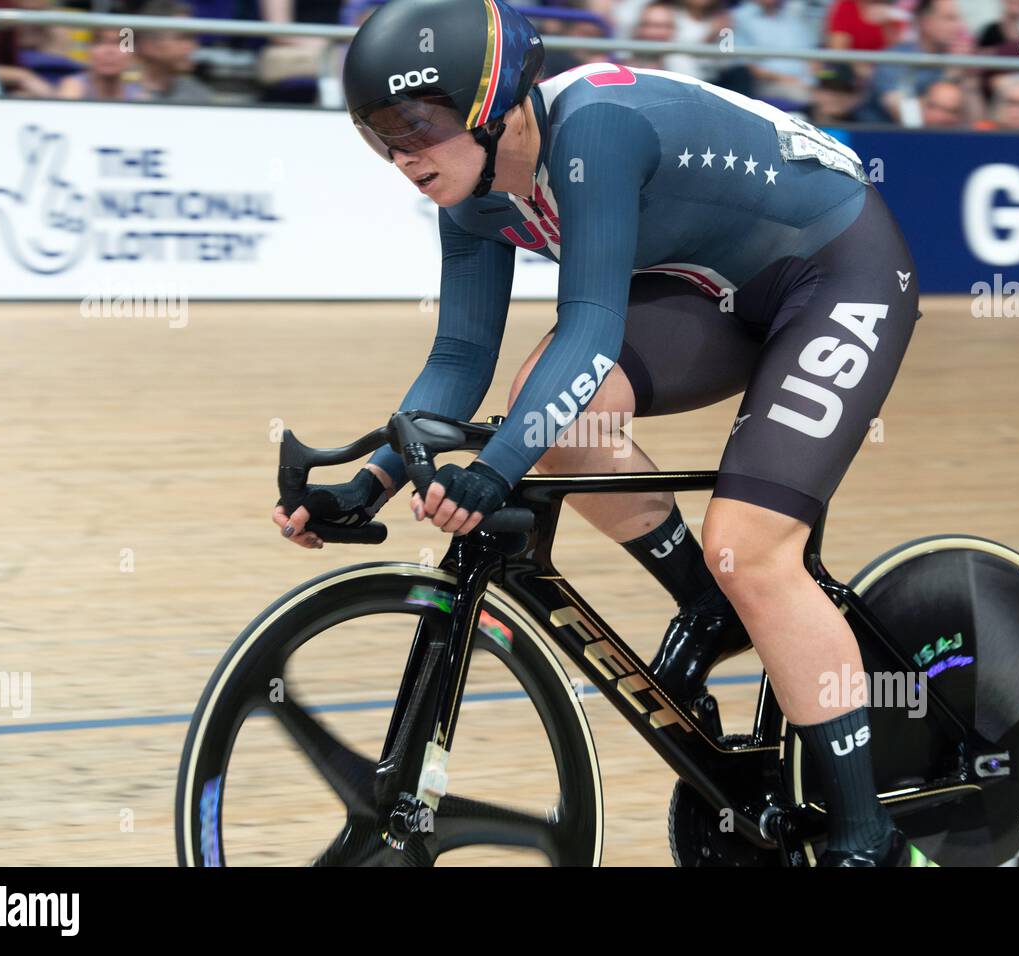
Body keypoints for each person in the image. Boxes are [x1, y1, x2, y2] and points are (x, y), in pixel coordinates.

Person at [279, 0, 930, 867]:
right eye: (380, 136)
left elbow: (588, 330)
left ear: (495, 104)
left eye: (417, 126)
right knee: (543, 405)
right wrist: (369, 486)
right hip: (713, 288)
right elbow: (459, 359)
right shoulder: (470, 193)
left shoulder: (596, 131)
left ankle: (868, 840)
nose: (403, 157)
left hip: (837, 268)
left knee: (751, 547)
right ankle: (704, 597)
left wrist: (495, 470)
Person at [136, 0, 215, 103]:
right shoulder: (118, 93)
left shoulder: (198, 96)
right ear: (149, 45)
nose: (194, 46)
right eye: (183, 38)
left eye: (192, 38)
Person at [57, 27, 147, 100]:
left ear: (132, 54)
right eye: (100, 42)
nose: (109, 51)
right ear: (88, 51)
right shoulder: (73, 88)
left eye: (119, 43)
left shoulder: (138, 97)